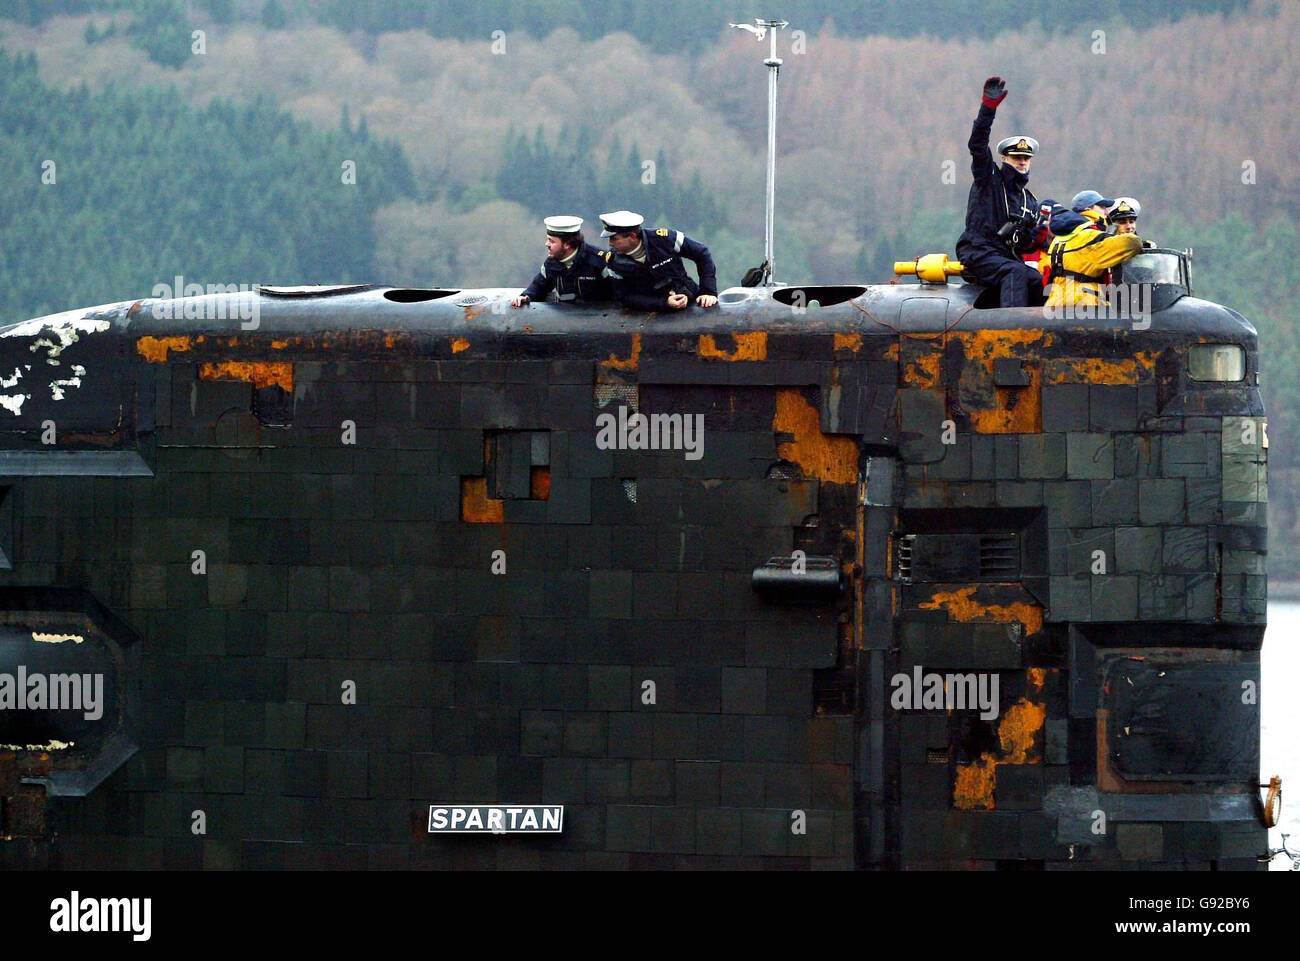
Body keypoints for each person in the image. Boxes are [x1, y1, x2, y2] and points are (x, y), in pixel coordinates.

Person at [955, 76, 1044, 307]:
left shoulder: (1029, 200)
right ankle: (1011, 333)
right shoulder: (989, 179)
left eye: (1026, 158)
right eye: (1017, 157)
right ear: (1005, 158)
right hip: (979, 252)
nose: (1022, 162)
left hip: (1004, 258)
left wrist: (1036, 237)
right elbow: (977, 145)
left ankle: (1034, 331)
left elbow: (1028, 244)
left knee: (1036, 279)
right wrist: (988, 108)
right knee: (1016, 273)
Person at [597, 210, 718, 311]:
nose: (610, 244)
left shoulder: (665, 239)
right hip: (654, 311)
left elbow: (701, 253)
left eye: (614, 239)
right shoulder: (614, 262)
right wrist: (664, 303)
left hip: (690, 298)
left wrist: (708, 291)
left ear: (632, 237)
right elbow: (625, 297)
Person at [1044, 190, 1143, 309]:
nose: (1106, 212)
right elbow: (1134, 243)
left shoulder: (1059, 238)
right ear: (1087, 210)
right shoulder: (1090, 237)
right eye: (1102, 207)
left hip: (1055, 303)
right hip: (1084, 305)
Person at [511, 216, 613, 308]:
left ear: (567, 244)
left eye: (552, 241)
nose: (547, 244)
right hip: (567, 323)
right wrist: (525, 297)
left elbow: (617, 290)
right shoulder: (551, 264)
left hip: (600, 322)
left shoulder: (598, 260)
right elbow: (538, 286)